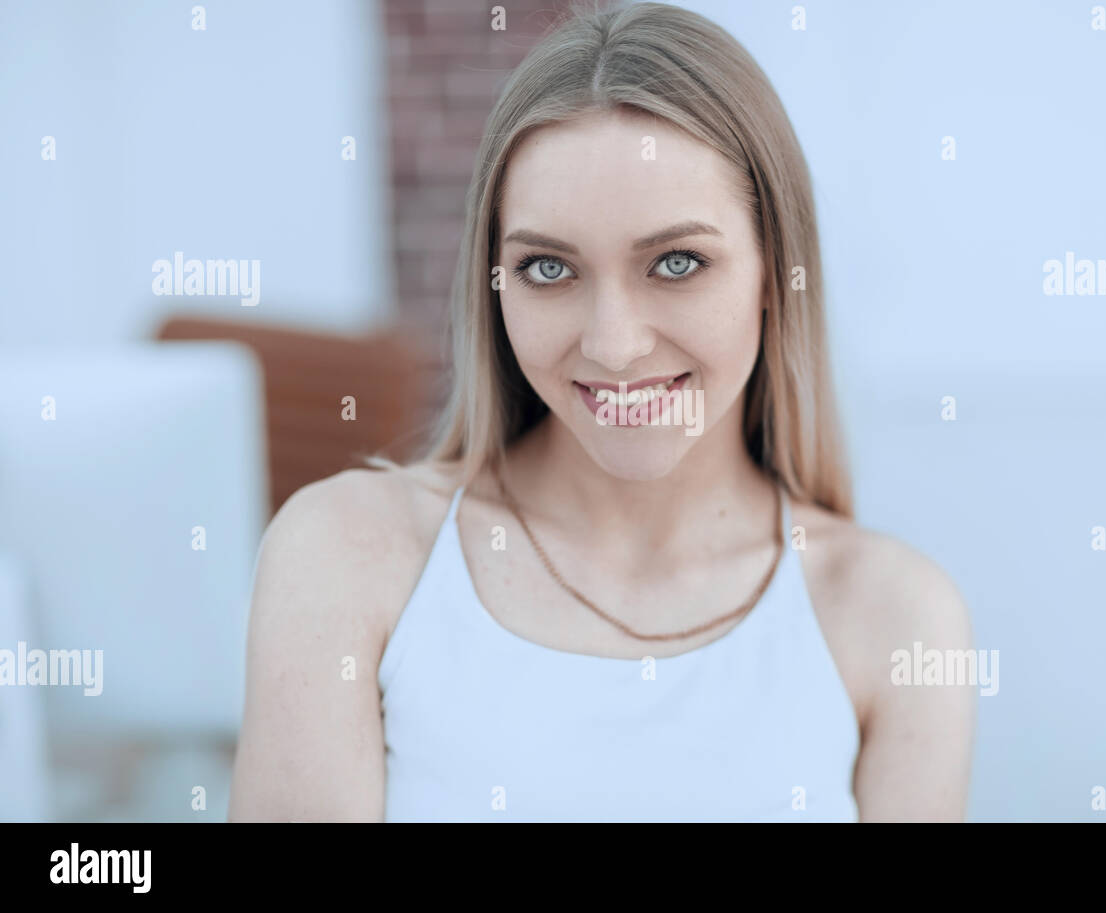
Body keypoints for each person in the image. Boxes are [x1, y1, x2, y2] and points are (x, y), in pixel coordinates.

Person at [230, 0, 974, 822]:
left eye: (677, 262)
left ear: (774, 274)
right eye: (550, 269)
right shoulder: (346, 557)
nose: (613, 345)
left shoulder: (898, 616)